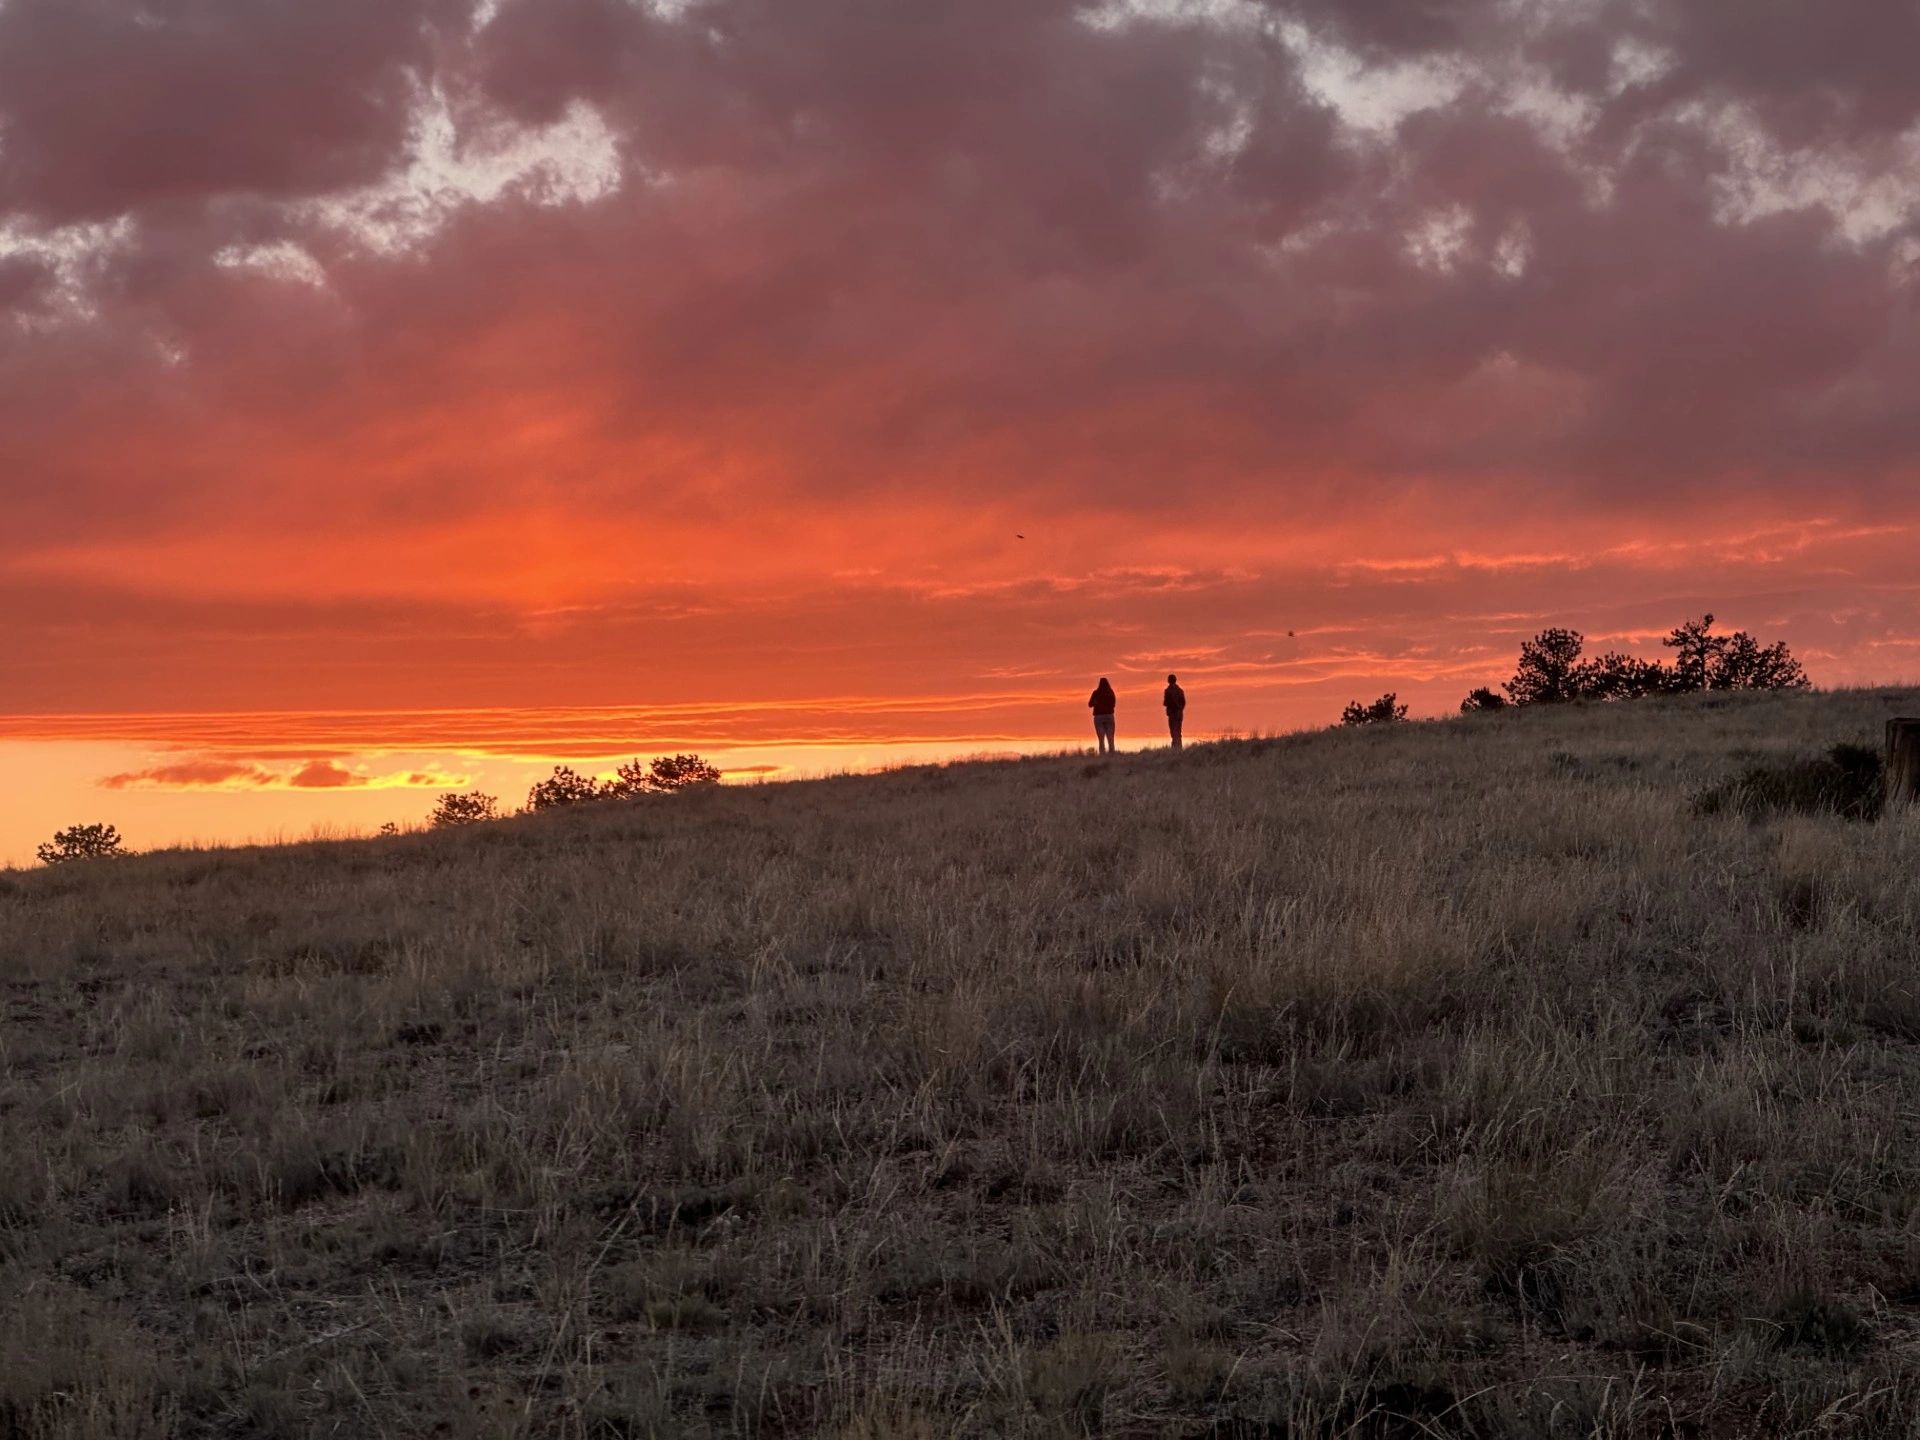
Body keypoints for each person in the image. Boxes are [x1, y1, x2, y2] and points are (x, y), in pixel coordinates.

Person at [1088, 677, 1117, 754]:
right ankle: (1112, 753)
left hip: (1098, 717)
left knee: (1101, 738)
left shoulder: (1096, 693)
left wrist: (1097, 703)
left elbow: (1090, 704)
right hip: (1109, 716)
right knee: (1110, 737)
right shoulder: (1110, 692)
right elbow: (1114, 704)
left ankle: (1102, 754)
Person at [1163, 673, 1186, 749]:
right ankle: (1178, 748)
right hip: (1179, 714)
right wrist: (1180, 709)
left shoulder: (1167, 691)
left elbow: (1165, 702)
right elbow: (1183, 703)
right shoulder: (1180, 690)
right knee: (1178, 731)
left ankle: (1175, 748)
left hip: (1172, 714)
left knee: (1173, 732)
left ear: (1168, 681)